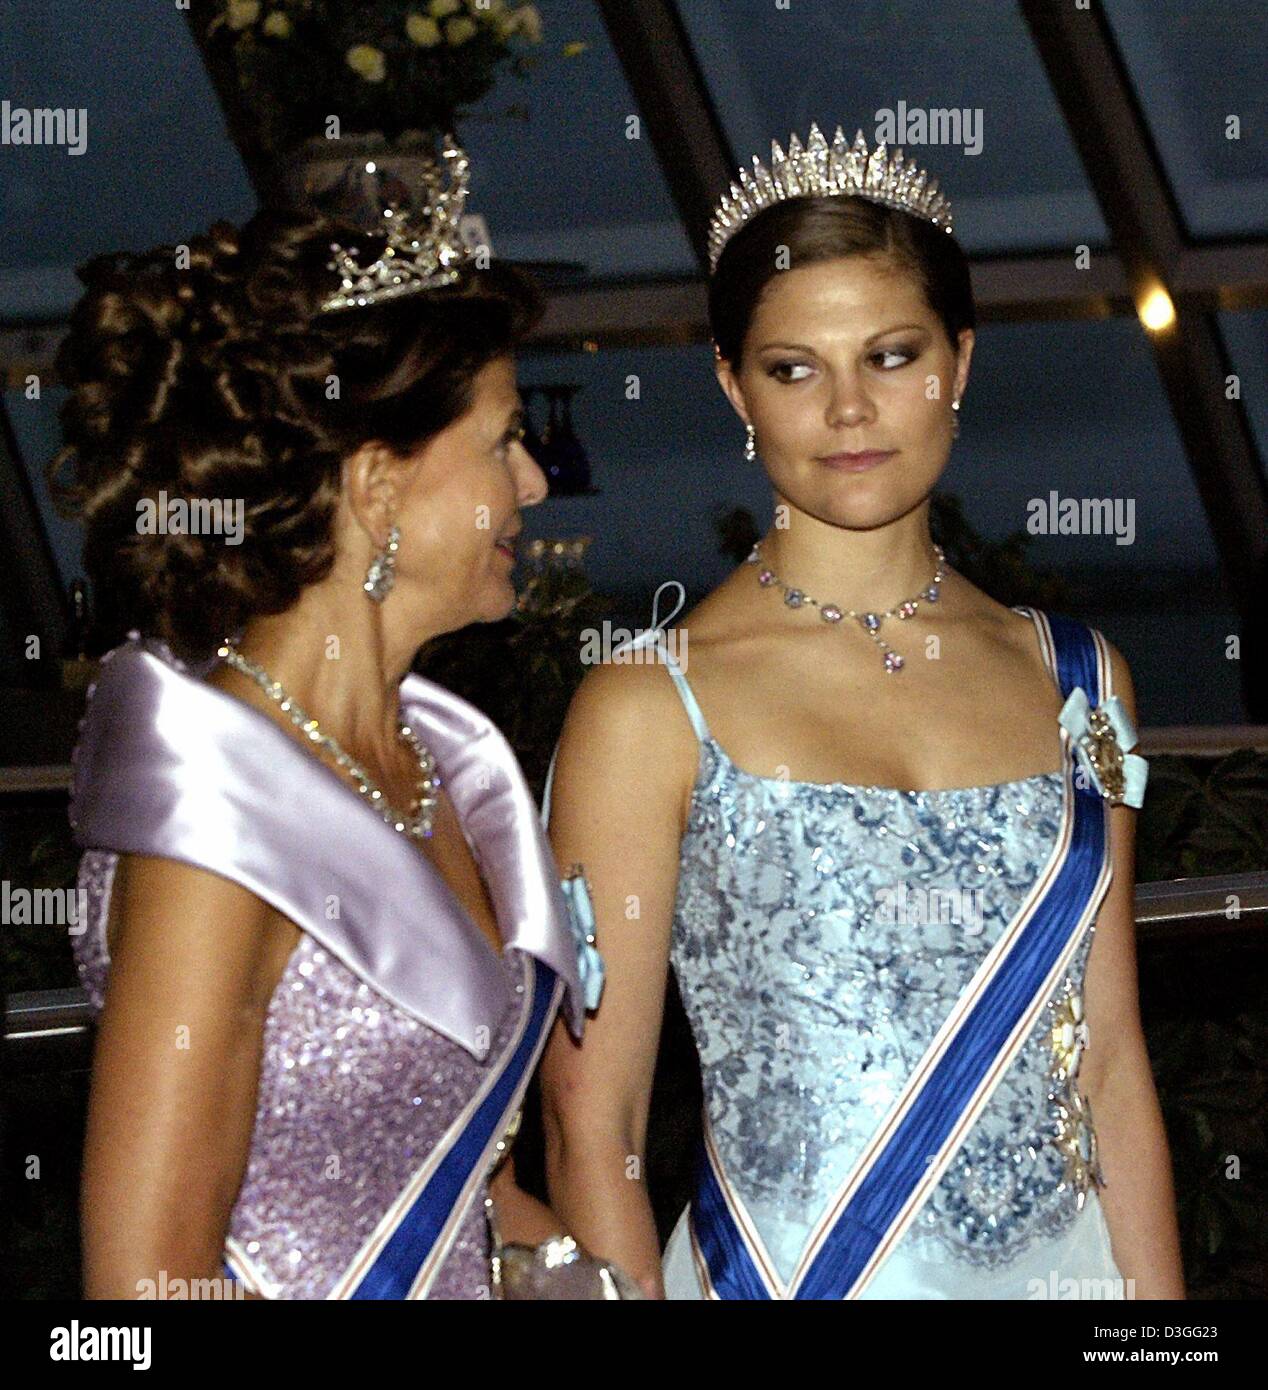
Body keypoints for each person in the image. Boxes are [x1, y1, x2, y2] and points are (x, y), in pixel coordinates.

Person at [538, 125, 1184, 1299]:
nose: (847, 409)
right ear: (734, 386)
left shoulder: (1087, 684)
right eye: (793, 368)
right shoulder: (644, 704)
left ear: (960, 363)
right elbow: (595, 1121)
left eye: (890, 355)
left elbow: (1110, 1064)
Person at [58, 145, 603, 1299]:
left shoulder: (438, 767)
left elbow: (434, 1166)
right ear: (376, 487)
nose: (535, 483)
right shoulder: (216, 823)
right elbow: (144, 1294)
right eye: (503, 439)